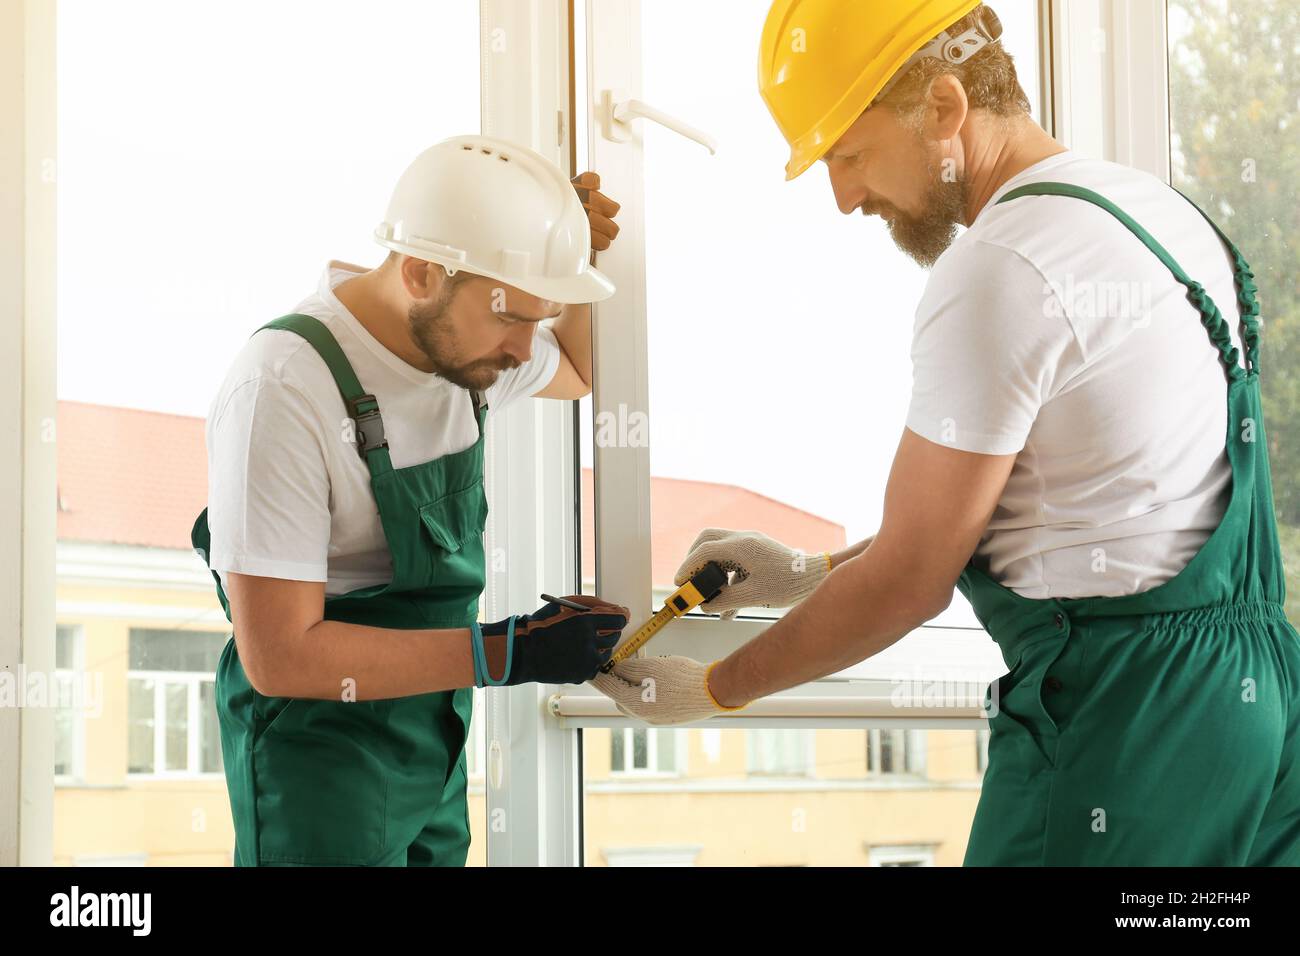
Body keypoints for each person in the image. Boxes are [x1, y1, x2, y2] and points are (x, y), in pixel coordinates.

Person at [594, 1, 1300, 866]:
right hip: (1255, 713)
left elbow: (910, 584)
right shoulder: (1159, 217)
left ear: (943, 107)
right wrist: (803, 573)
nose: (844, 195)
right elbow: (1079, 506)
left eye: (850, 154)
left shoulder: (1003, 266)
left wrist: (712, 687)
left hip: (1122, 730)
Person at [192, 135, 629, 866]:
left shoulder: (467, 349)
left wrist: (573, 260)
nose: (527, 349)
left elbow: (578, 369)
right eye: (512, 318)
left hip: (436, 733)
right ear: (423, 274)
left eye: (538, 316)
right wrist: (507, 653)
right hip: (321, 755)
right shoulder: (284, 388)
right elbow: (279, 656)